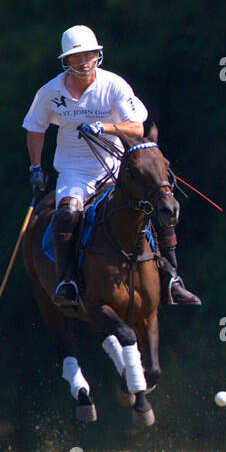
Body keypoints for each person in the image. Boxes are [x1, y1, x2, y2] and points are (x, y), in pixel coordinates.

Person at [23, 25, 202, 308]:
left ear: (98, 55)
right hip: (74, 168)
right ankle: (67, 281)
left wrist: (105, 127)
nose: (84, 62)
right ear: (66, 61)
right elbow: (35, 127)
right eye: (76, 57)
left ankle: (171, 279)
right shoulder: (50, 92)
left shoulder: (113, 84)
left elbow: (136, 125)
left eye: (89, 55)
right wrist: (35, 167)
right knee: (67, 214)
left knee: (159, 204)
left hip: (116, 165)